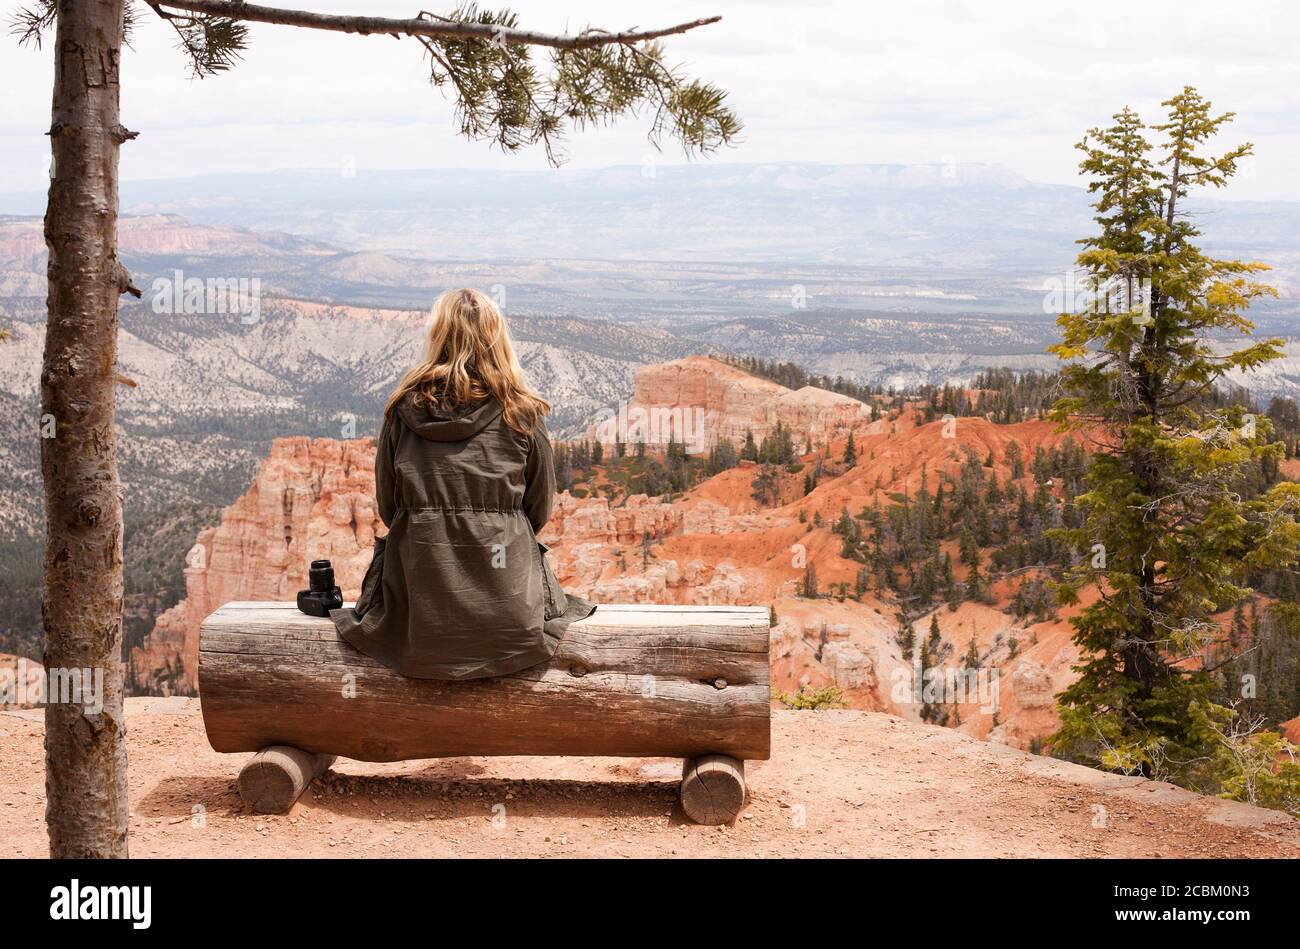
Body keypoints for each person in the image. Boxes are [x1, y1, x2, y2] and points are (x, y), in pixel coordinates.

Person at [332, 288, 595, 679]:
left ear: (437, 338)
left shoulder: (401, 412)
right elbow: (537, 511)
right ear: (497, 338)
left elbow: (390, 509)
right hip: (509, 615)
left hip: (420, 613)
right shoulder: (522, 414)